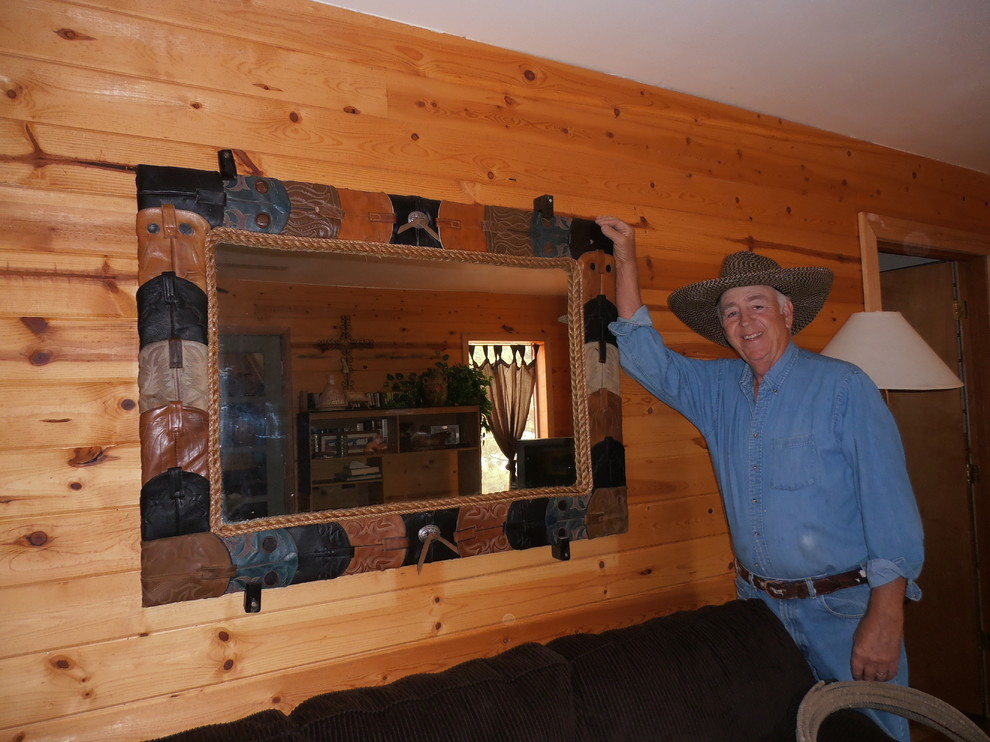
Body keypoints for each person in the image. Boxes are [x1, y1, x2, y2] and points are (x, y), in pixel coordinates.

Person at [597, 215, 924, 741]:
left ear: (787, 312)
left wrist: (886, 619)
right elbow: (641, 354)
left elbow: (892, 511)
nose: (745, 322)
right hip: (760, 616)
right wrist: (628, 257)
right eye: (731, 312)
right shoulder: (717, 390)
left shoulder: (844, 388)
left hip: (843, 613)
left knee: (873, 736)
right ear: (721, 326)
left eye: (757, 306)